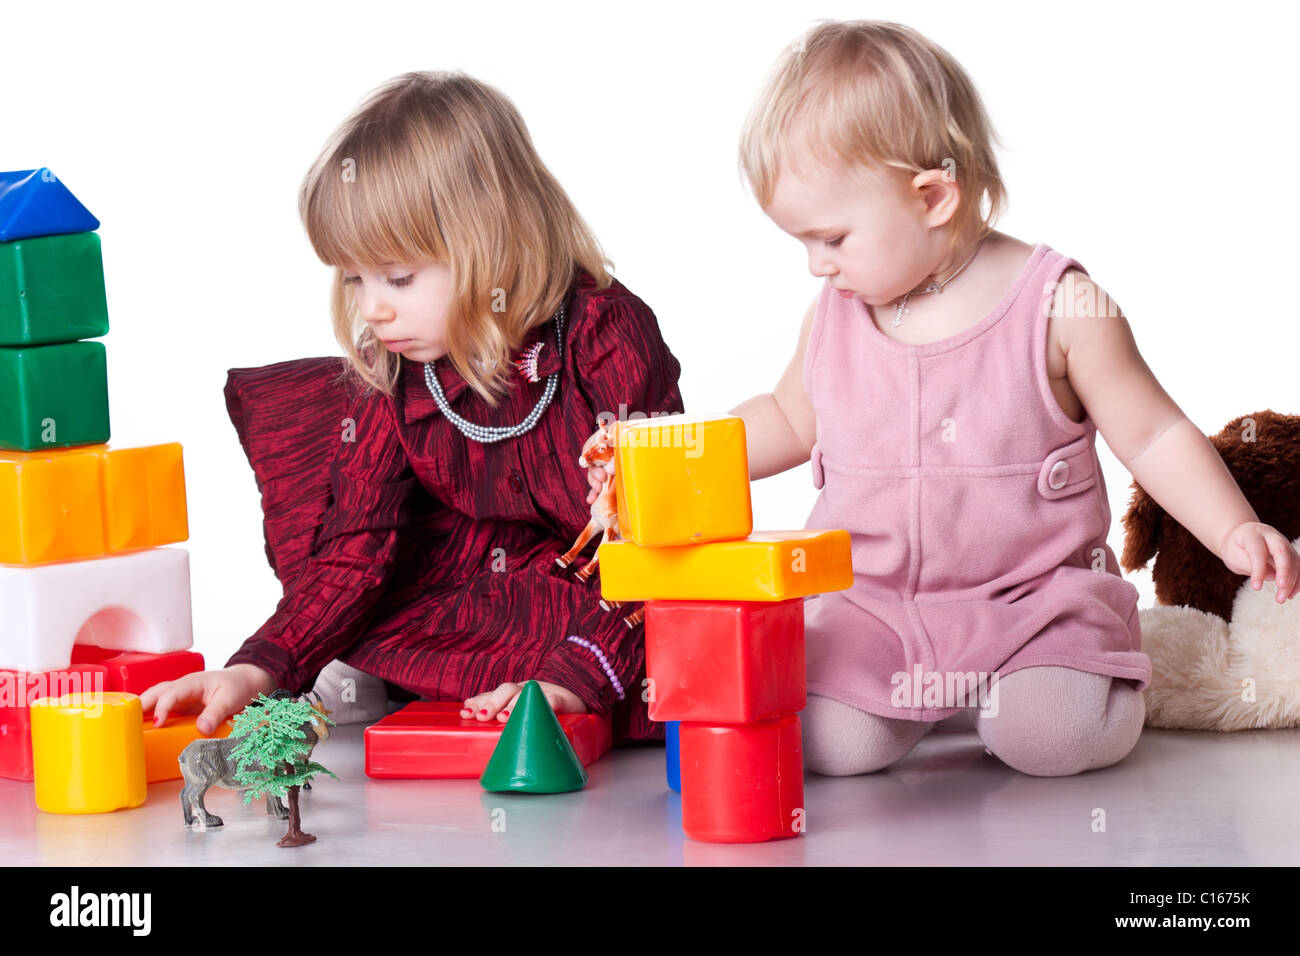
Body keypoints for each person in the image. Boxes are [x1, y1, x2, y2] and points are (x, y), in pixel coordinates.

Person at [593, 20, 1299, 776]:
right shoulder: (834, 316)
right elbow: (786, 418)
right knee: (831, 747)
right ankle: (929, 700)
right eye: (800, 242)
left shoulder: (1060, 306)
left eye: (831, 238)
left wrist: (1233, 527)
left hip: (1035, 604)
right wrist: (659, 462)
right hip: (881, 609)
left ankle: (1040, 688)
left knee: (1054, 740)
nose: (815, 267)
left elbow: (1153, 434)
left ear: (932, 197)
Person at [142, 71, 682, 745]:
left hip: (604, 577)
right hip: (476, 576)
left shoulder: (605, 332)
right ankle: (393, 666)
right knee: (367, 573)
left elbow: (654, 529)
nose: (373, 306)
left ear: (496, 244)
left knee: (672, 632)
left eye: (398, 278)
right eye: (354, 279)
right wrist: (259, 667)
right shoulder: (399, 361)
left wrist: (575, 673)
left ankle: (543, 680)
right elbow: (357, 545)